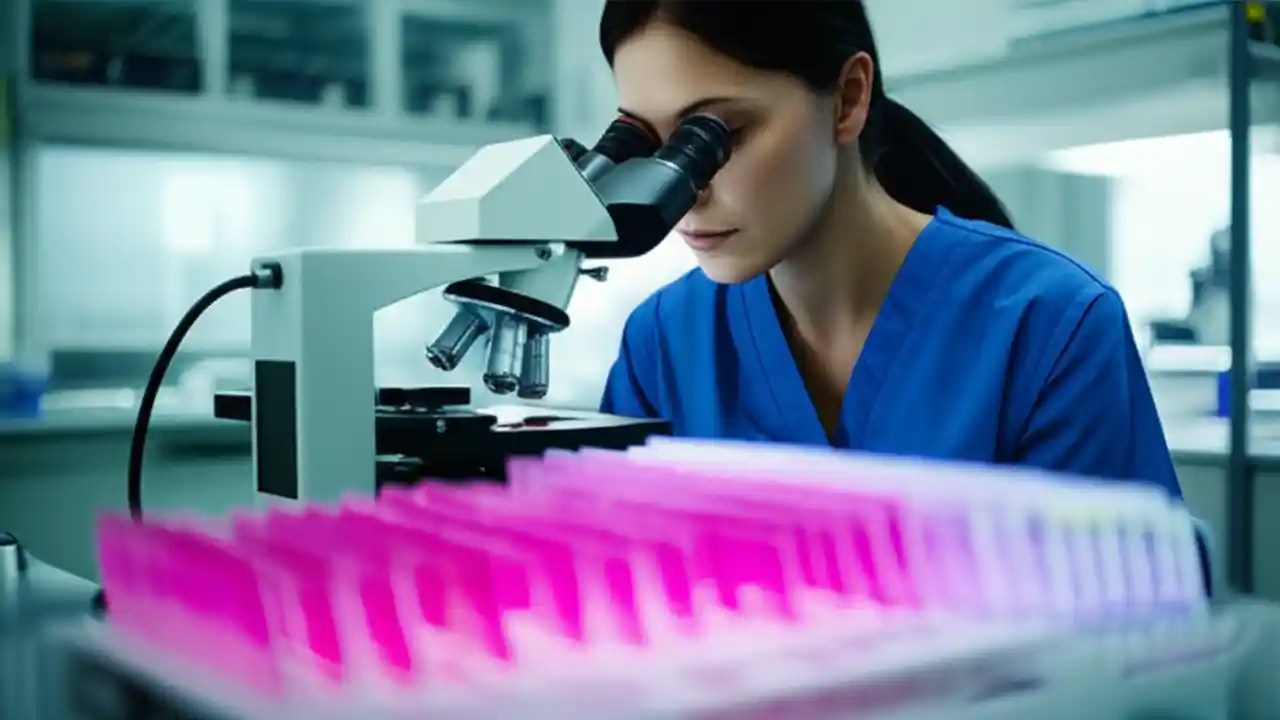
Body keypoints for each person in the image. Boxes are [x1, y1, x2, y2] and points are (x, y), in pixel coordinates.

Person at [596, 0, 1182, 498]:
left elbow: (1128, 616)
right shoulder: (663, 343)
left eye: (713, 137)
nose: (682, 191)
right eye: (650, 145)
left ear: (848, 99)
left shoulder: (1049, 326)